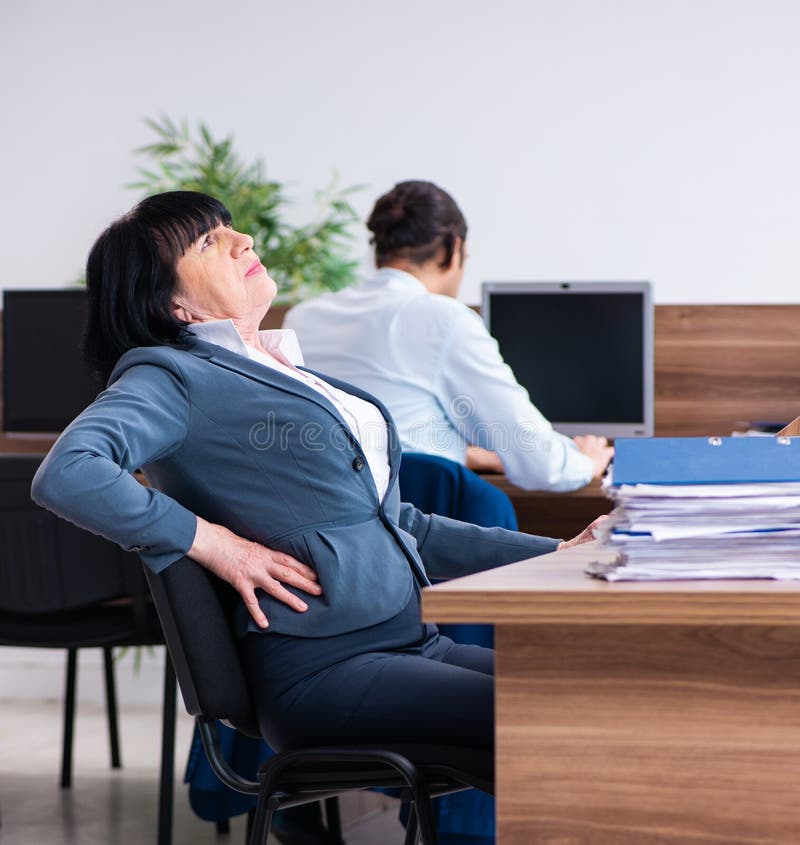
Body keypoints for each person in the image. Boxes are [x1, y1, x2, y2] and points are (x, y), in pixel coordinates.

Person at [31, 190, 601, 766]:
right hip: (324, 668)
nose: (242, 240)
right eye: (209, 241)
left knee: (607, 697)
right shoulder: (171, 376)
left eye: (230, 227)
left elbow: (402, 527)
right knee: (558, 718)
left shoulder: (281, 366)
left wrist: (559, 553)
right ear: (173, 303)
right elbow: (69, 472)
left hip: (410, 642)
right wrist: (215, 543)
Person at [284, 180, 614, 493]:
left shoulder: (303, 318)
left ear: (378, 249)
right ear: (453, 249)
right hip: (415, 527)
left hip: (318, 520)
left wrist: (466, 453)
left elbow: (369, 441)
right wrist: (585, 461)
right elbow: (539, 463)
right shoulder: (444, 318)